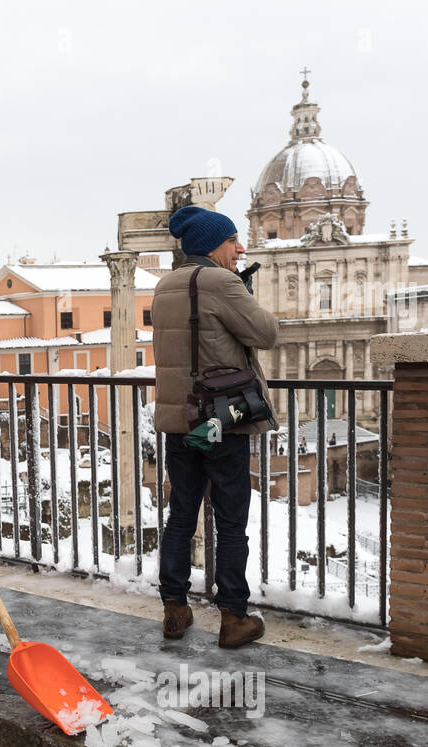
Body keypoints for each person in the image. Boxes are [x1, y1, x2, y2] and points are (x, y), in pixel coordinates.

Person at [152, 206, 278, 648]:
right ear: (212, 245)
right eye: (232, 242)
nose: (240, 248)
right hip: (223, 420)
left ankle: (174, 608)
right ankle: (233, 617)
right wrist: (242, 291)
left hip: (179, 420)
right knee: (230, 520)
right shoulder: (223, 282)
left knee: (181, 515)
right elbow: (266, 333)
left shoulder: (165, 285)